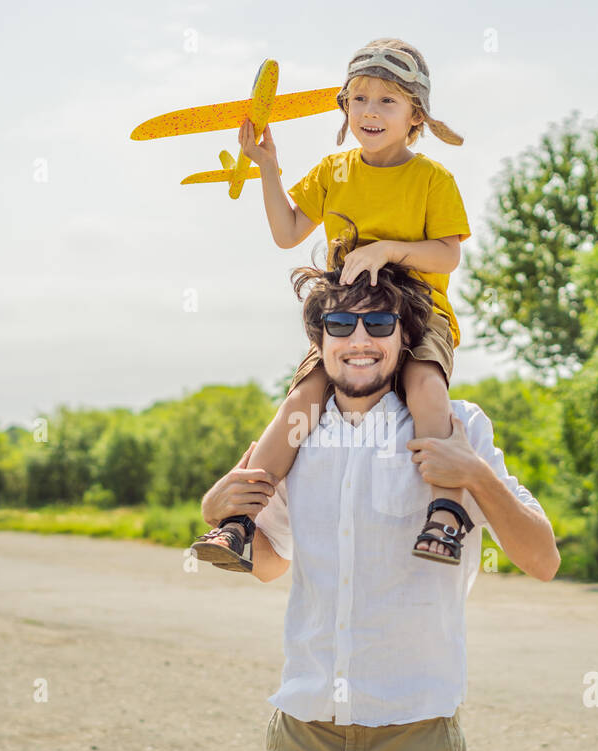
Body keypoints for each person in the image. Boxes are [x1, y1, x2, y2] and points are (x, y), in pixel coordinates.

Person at [198, 235, 560, 751]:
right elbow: (271, 564)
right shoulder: (296, 436)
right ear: (320, 341)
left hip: (413, 737)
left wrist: (475, 475)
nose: (359, 337)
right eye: (340, 322)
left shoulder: (456, 426)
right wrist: (213, 511)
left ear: (403, 336)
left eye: (378, 322)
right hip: (303, 736)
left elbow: (543, 559)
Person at [190, 37, 475, 570]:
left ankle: (445, 511)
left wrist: (389, 249)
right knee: (301, 401)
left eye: (387, 100)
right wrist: (267, 167)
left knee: (426, 388)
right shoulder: (334, 170)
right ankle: (239, 523)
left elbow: (448, 256)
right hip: (349, 311)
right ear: (344, 106)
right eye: (359, 98)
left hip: (416, 312)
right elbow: (288, 232)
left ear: (416, 114)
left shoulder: (433, 178)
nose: (370, 111)